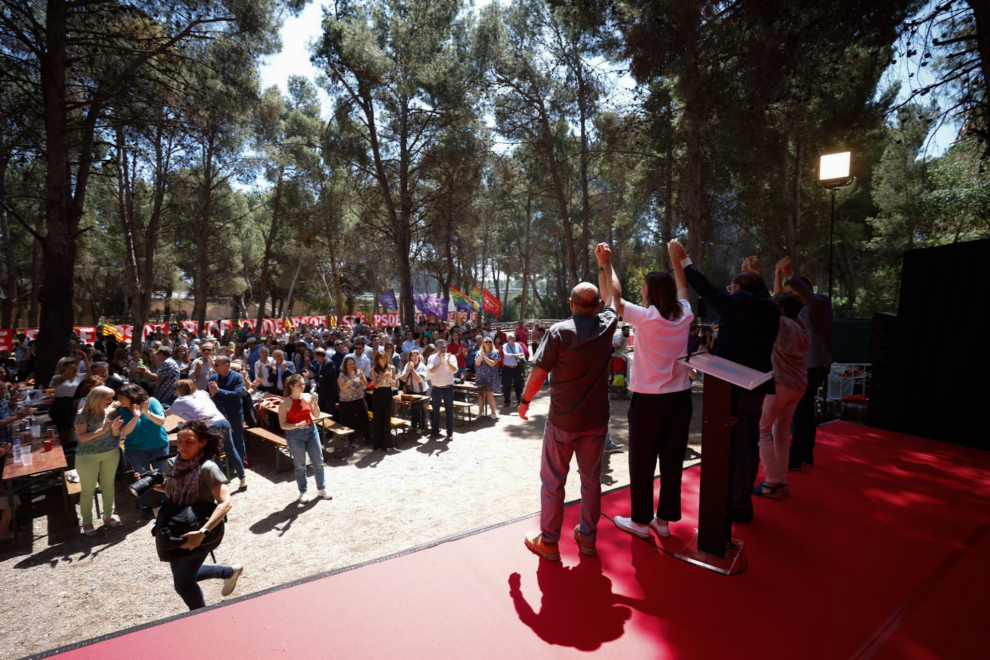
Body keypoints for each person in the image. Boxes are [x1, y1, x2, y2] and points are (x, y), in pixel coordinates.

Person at [596, 242, 695, 539]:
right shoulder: (685, 314)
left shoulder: (645, 316)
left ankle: (640, 522)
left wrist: (607, 262)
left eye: (643, 287)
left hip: (649, 403)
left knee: (642, 462)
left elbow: (613, 295)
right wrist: (677, 258)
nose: (640, 291)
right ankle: (663, 522)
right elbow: (684, 288)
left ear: (652, 292)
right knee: (672, 462)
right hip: (680, 400)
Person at [678, 243, 780, 524]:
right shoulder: (770, 307)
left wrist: (686, 262)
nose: (731, 293)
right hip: (756, 386)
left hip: (734, 385)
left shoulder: (743, 301)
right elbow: (759, 291)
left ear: (738, 290)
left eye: (733, 288)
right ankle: (742, 496)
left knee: (739, 447)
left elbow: (708, 290)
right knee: (751, 444)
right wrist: (751, 274)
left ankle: (737, 502)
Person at [518, 282, 618, 561]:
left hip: (563, 421)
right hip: (596, 421)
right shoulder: (607, 324)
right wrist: (605, 263)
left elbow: (538, 374)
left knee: (552, 482)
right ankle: (588, 539)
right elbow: (616, 294)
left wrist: (525, 402)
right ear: (598, 306)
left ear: (570, 304)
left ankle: (549, 542)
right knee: (591, 481)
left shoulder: (558, 332)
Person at [156, 420, 242, 610]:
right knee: (183, 574)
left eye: (189, 442)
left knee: (183, 584)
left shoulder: (207, 468)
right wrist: (151, 483)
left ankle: (201, 616)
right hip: (174, 526)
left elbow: (225, 503)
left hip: (197, 529)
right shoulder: (173, 464)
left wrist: (202, 533)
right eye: (179, 441)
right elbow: (170, 489)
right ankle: (229, 572)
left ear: (202, 442)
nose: (182, 446)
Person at [775, 256, 833, 468]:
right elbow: (777, 300)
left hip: (813, 365)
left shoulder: (819, 304)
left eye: (793, 294)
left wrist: (790, 273)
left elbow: (808, 297)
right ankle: (804, 453)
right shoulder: (795, 312)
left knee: (801, 410)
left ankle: (796, 456)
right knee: (804, 409)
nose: (790, 298)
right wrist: (778, 275)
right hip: (801, 366)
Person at [755, 293, 810, 498]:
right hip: (797, 386)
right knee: (781, 434)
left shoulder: (781, 324)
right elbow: (778, 304)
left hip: (780, 385)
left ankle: (772, 482)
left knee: (762, 432)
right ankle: (782, 483)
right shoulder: (801, 324)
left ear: (781, 310)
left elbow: (764, 307)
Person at [169, 379, 248, 491]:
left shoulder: (180, 400)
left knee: (214, 455)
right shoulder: (202, 393)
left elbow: (167, 413)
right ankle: (243, 478)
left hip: (210, 426)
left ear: (180, 389)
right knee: (231, 451)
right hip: (222, 421)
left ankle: (221, 484)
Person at [113, 384, 170, 518]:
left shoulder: (152, 402)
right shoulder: (123, 410)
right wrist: (136, 417)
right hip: (136, 450)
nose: (118, 399)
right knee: (142, 477)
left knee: (160, 475)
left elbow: (161, 421)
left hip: (159, 446)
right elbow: (125, 431)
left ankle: (163, 502)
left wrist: (147, 413)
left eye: (121, 397)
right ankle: (145, 505)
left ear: (131, 396)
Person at [73, 386, 122, 535]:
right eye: (108, 398)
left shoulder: (111, 412)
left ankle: (108, 515)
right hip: (87, 456)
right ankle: (87, 521)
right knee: (88, 490)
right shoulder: (82, 414)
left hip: (110, 452)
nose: (111, 401)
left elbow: (114, 434)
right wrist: (101, 430)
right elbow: (82, 437)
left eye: (112, 397)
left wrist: (114, 427)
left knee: (108, 485)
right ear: (97, 399)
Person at [278, 374, 331, 502]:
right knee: (300, 465)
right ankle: (303, 492)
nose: (302, 387)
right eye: (299, 385)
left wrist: (316, 404)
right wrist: (296, 425)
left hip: (311, 430)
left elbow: (316, 415)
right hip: (295, 435)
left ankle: (321, 489)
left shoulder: (307, 397)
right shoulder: (285, 403)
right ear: (291, 386)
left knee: (318, 461)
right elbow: (282, 425)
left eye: (303, 384)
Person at [206, 357, 248, 485]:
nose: (215, 367)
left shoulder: (237, 377)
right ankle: (227, 467)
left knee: (238, 440)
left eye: (217, 364)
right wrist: (213, 395)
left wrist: (219, 391)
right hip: (219, 416)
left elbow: (237, 395)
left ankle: (240, 467)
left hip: (234, 414)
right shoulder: (213, 379)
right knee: (222, 443)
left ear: (226, 365)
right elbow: (207, 396)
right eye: (214, 364)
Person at [50, 350, 90, 449]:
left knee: (77, 426)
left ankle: (76, 447)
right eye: (66, 363)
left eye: (71, 362)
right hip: (61, 404)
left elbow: (91, 375)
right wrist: (75, 365)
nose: (70, 365)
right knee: (64, 429)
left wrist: (85, 359)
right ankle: (65, 448)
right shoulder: (56, 377)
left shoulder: (79, 377)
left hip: (75, 403)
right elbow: (63, 378)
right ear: (61, 366)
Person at [337, 356, 371, 445]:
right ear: (345, 366)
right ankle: (352, 440)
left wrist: (361, 377)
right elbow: (342, 387)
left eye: (353, 364)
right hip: (346, 401)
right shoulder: (342, 375)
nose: (352, 366)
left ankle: (367, 437)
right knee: (349, 421)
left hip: (359, 399)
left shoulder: (359, 372)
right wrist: (351, 379)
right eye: (349, 364)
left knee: (364, 418)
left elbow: (365, 384)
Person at [427, 338, 457, 439]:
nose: (443, 349)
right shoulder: (432, 358)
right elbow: (431, 370)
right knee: (435, 411)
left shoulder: (451, 357)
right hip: (436, 388)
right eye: (440, 347)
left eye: (444, 347)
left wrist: (447, 362)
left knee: (449, 410)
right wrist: (440, 363)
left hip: (448, 388)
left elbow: (454, 370)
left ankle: (450, 433)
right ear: (436, 348)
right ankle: (435, 431)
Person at [371, 352, 398, 450]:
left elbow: (395, 384)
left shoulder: (391, 368)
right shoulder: (374, 370)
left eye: (385, 357)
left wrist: (391, 380)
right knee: (377, 419)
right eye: (381, 358)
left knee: (387, 419)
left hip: (387, 393)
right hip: (378, 394)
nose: (384, 359)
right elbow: (376, 385)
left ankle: (387, 444)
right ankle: (377, 444)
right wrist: (383, 377)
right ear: (377, 359)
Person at [305, 348, 339, 425]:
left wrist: (313, 375)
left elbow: (325, 378)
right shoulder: (320, 363)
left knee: (329, 412)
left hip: (329, 393)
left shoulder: (329, 363)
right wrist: (310, 370)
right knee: (322, 411)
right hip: (322, 392)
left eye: (315, 356)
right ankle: (324, 429)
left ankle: (330, 431)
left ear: (319, 356)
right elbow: (318, 374)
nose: (315, 358)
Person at [398, 349, 429, 430]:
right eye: (412, 356)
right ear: (410, 357)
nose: (414, 358)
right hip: (410, 390)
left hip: (420, 391)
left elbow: (419, 379)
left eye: (416, 356)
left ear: (419, 357)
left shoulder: (422, 366)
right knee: (412, 409)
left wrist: (412, 370)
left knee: (419, 410)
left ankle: (421, 427)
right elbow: (403, 378)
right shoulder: (407, 365)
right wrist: (409, 370)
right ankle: (414, 425)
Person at [474, 337, 502, 420]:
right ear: (483, 343)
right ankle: (480, 412)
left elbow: (493, 364)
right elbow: (477, 363)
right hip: (481, 376)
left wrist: (484, 357)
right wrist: (481, 356)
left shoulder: (495, 352)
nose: (488, 343)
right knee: (481, 394)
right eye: (486, 342)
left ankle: (493, 413)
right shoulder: (479, 352)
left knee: (490, 395)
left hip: (491, 376)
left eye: (489, 342)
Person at [502, 333, 526, 407]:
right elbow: (506, 355)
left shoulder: (518, 345)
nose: (513, 339)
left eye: (514, 337)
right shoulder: (505, 346)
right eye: (511, 338)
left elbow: (523, 354)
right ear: (508, 339)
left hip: (516, 368)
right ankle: (507, 401)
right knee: (506, 385)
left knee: (519, 385)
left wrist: (520, 359)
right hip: (507, 368)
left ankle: (519, 401)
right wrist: (517, 355)